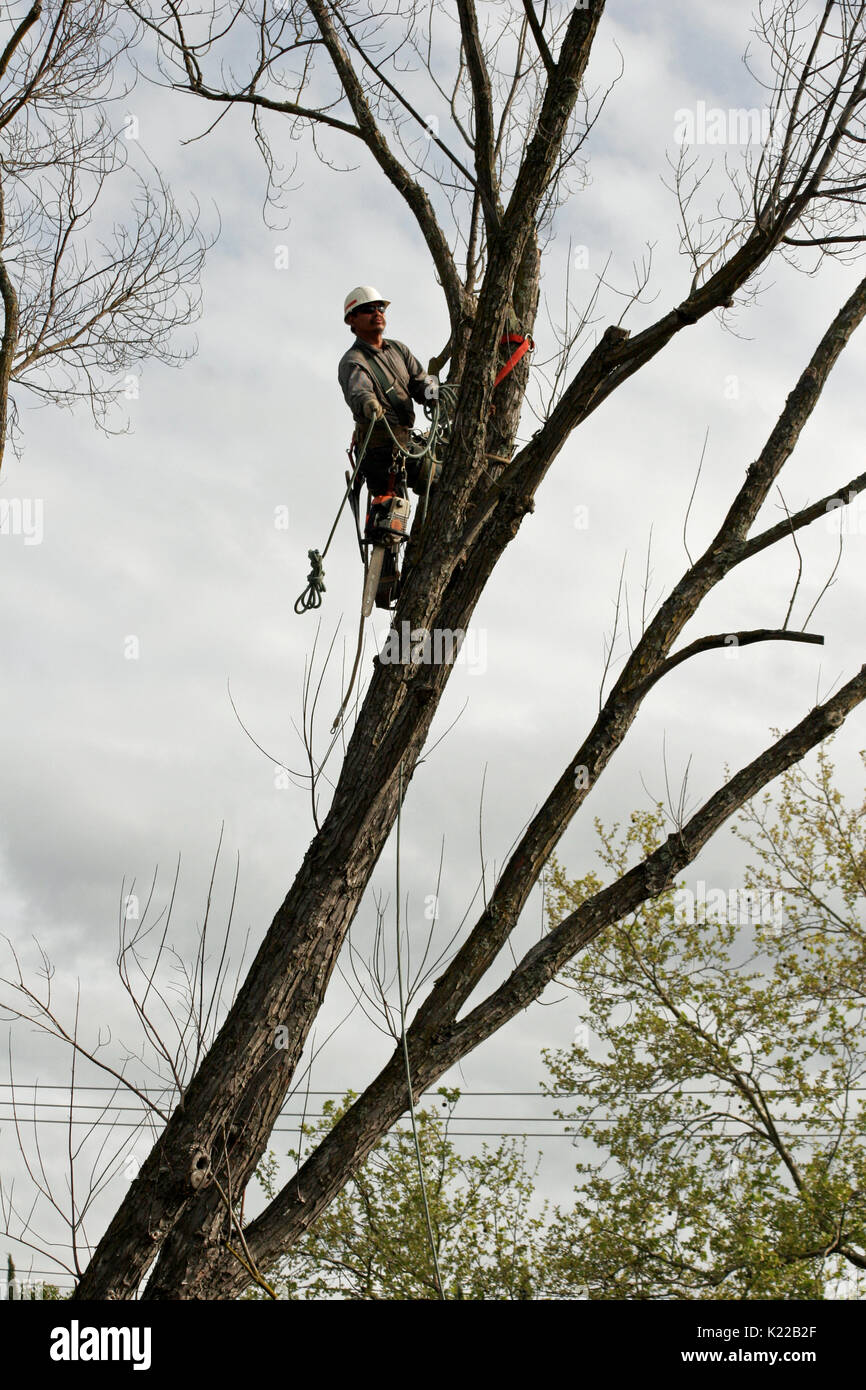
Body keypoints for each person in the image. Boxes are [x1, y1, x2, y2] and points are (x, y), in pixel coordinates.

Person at [338, 285, 432, 495]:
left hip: (404, 443)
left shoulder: (398, 349)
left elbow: (420, 382)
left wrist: (433, 395)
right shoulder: (353, 361)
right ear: (352, 319)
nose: (377, 313)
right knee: (393, 515)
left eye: (380, 308)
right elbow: (359, 392)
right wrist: (369, 404)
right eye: (369, 309)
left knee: (443, 468)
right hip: (380, 453)